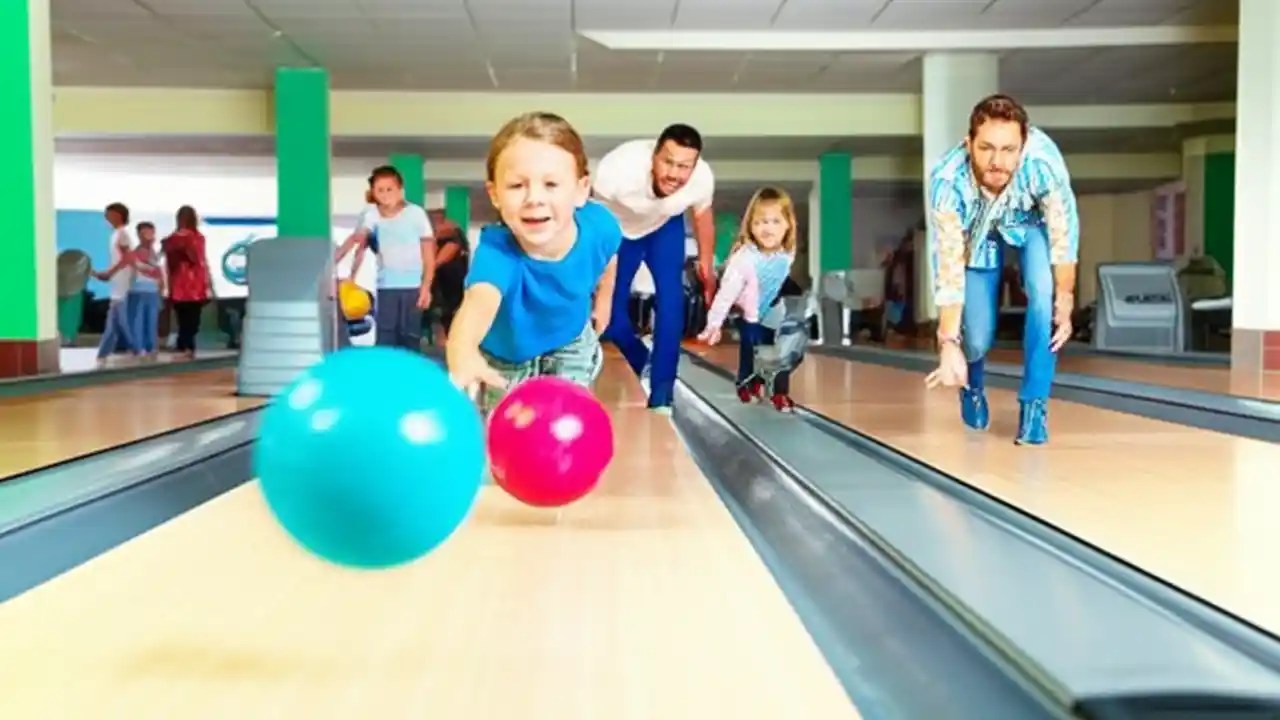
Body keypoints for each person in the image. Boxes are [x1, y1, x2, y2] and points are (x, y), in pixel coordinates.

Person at [923, 94, 1079, 446]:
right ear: (969, 144)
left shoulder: (1044, 164)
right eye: (986, 148)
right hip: (977, 232)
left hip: (1031, 223)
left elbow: (1062, 234)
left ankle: (1034, 404)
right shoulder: (947, 183)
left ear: (1024, 143)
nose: (997, 161)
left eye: (1009, 149)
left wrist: (1065, 295)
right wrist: (948, 342)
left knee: (1043, 292)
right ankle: (972, 383)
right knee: (977, 337)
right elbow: (948, 265)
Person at [446, 111, 621, 414]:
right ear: (495, 194)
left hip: (570, 342)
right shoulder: (498, 251)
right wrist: (462, 351)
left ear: (581, 191)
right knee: (509, 442)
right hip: (507, 359)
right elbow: (479, 300)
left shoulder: (601, 226)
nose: (534, 198)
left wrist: (604, 300)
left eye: (551, 184)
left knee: (565, 430)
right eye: (516, 186)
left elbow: (609, 258)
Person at [592, 125, 717, 414]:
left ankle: (663, 392)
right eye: (668, 162)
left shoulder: (701, 179)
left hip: (664, 226)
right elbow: (590, 214)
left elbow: (702, 214)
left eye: (684, 166)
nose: (674, 173)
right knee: (611, 317)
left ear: (694, 166)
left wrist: (706, 265)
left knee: (671, 300)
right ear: (654, 156)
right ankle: (642, 360)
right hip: (620, 233)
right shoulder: (617, 171)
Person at [696, 186, 798, 411]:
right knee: (752, 348)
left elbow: (778, 281)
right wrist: (714, 323)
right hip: (748, 312)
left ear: (788, 224)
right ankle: (747, 382)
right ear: (750, 227)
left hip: (772, 309)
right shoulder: (744, 259)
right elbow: (726, 295)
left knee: (778, 351)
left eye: (775, 221)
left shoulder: (786, 253)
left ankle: (779, 393)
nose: (767, 229)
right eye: (760, 222)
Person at [348, 166, 435, 352]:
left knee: (410, 337)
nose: (385, 194)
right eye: (380, 190)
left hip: (413, 287)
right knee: (386, 339)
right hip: (386, 286)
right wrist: (350, 276)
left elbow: (428, 252)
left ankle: (409, 379)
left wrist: (426, 287)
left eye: (390, 189)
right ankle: (385, 379)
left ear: (400, 190)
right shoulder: (371, 215)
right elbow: (360, 244)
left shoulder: (416, 214)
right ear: (373, 192)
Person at [161, 205, 213, 359]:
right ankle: (188, 346)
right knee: (192, 319)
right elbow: (200, 261)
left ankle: (183, 346)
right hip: (195, 286)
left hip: (178, 285)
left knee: (183, 318)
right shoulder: (198, 238)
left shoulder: (171, 239)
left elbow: (168, 262)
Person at [93, 202, 139, 367]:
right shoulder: (115, 235)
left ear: (118, 215)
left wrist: (110, 272)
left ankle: (135, 349)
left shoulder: (122, 234)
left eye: (109, 214)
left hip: (122, 281)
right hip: (117, 281)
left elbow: (128, 258)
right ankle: (103, 353)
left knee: (119, 318)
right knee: (114, 320)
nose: (106, 218)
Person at [128, 221, 165, 359]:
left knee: (151, 320)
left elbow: (157, 271)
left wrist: (161, 288)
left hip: (152, 291)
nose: (149, 237)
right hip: (138, 290)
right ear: (139, 235)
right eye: (145, 233)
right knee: (138, 320)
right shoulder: (136, 253)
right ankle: (138, 347)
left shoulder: (154, 253)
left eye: (151, 233)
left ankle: (150, 347)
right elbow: (148, 267)